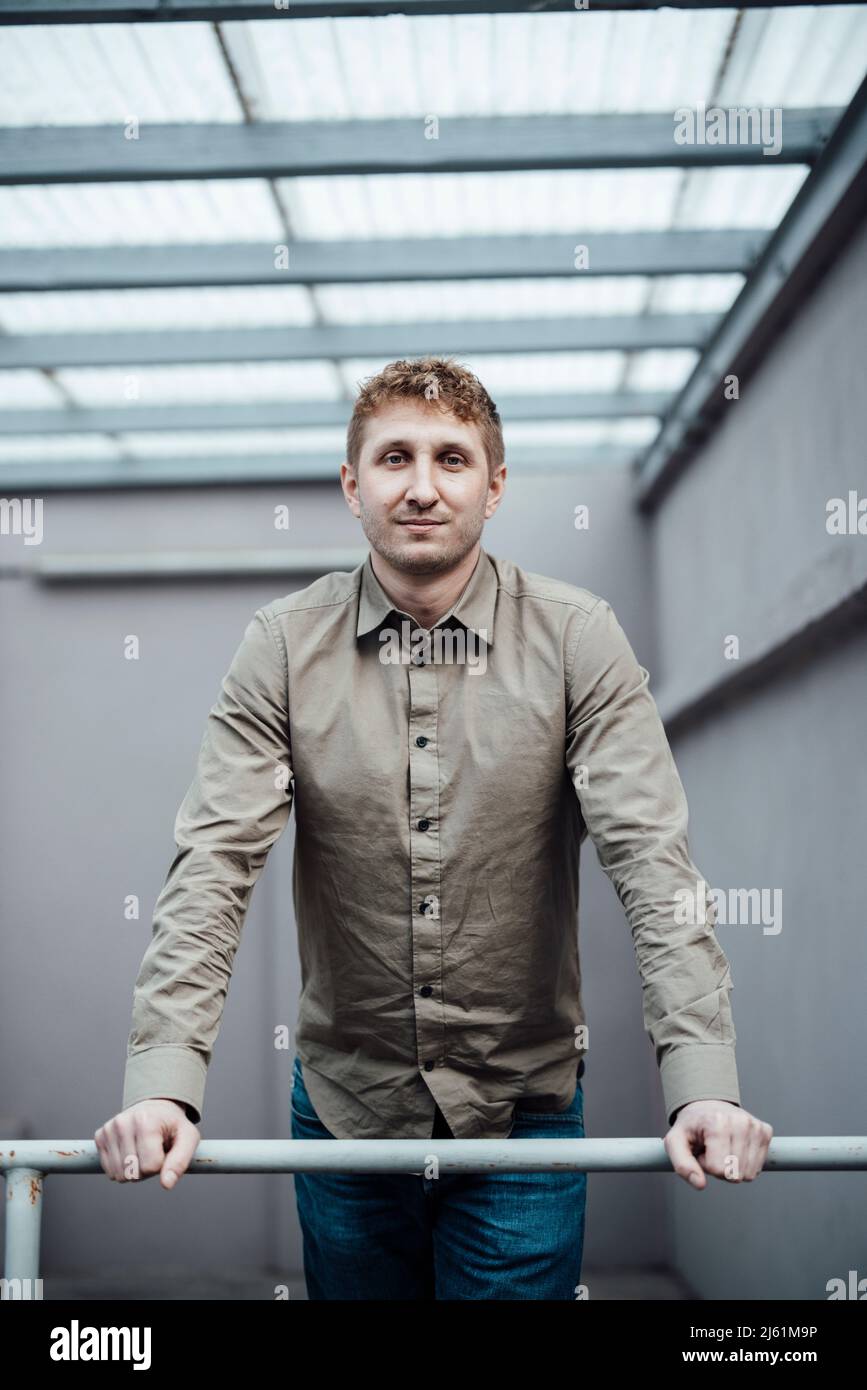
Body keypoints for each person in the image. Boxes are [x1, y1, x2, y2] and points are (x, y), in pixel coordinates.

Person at [95, 356, 773, 1300]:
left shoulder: (579, 639)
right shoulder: (282, 648)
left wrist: (702, 1078)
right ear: (350, 484)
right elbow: (212, 867)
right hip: (344, 1112)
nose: (420, 488)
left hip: (523, 1111)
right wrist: (164, 1079)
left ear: (494, 486)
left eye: (452, 460)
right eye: (393, 459)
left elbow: (652, 864)